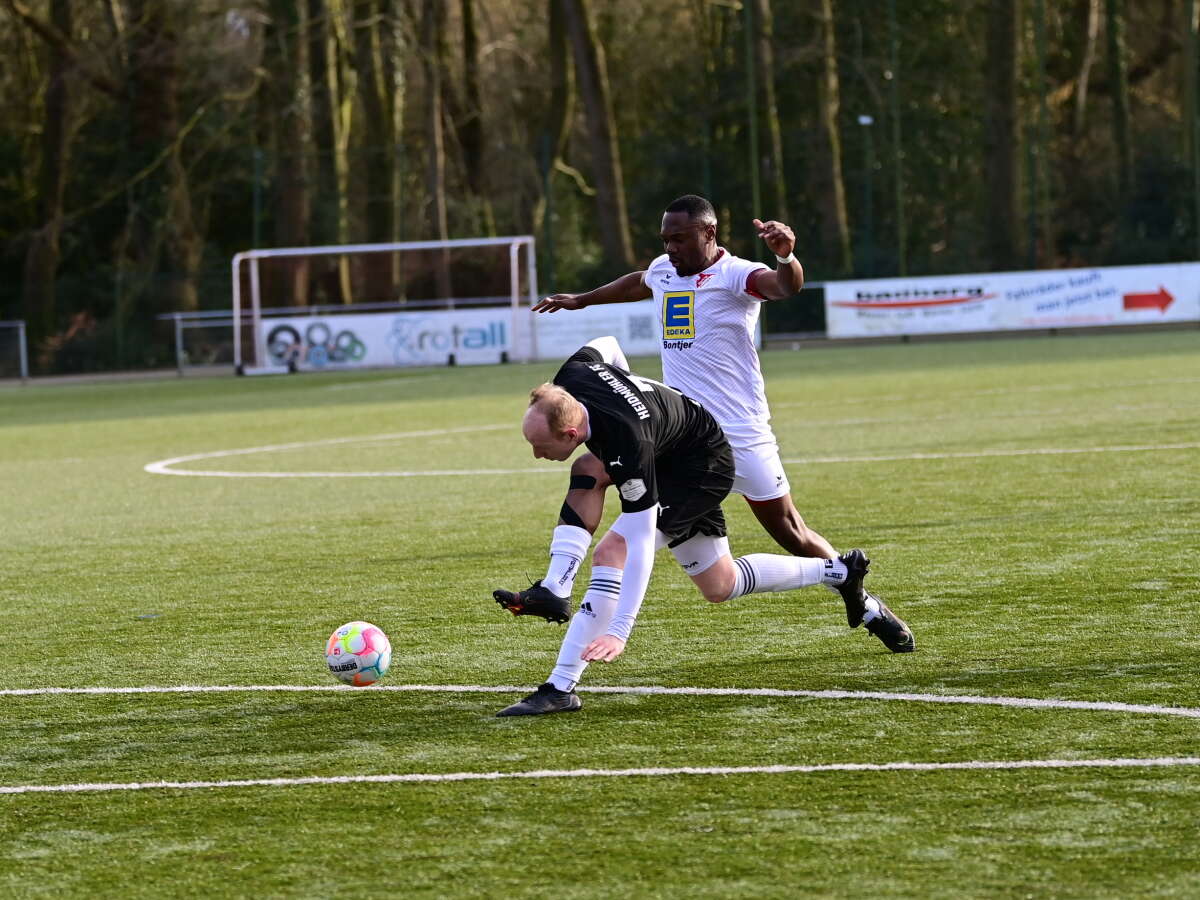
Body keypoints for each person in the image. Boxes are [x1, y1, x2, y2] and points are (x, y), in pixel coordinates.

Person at [493, 194, 913, 652]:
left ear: (709, 233)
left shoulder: (735, 275)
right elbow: (639, 282)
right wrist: (581, 301)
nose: (671, 247)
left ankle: (863, 599)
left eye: (680, 238)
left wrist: (786, 255)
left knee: (791, 532)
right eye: (665, 239)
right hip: (677, 432)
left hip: (739, 434)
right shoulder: (663, 269)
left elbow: (783, 286)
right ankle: (556, 586)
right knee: (589, 470)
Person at [495, 337, 913, 717]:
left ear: (570, 432)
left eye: (540, 447)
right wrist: (633, 390)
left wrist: (621, 630)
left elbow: (639, 546)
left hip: (700, 469)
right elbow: (607, 345)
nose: (535, 455)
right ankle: (839, 571)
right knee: (720, 585)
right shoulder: (573, 374)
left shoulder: (629, 444)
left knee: (612, 551)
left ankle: (560, 685)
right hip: (677, 447)